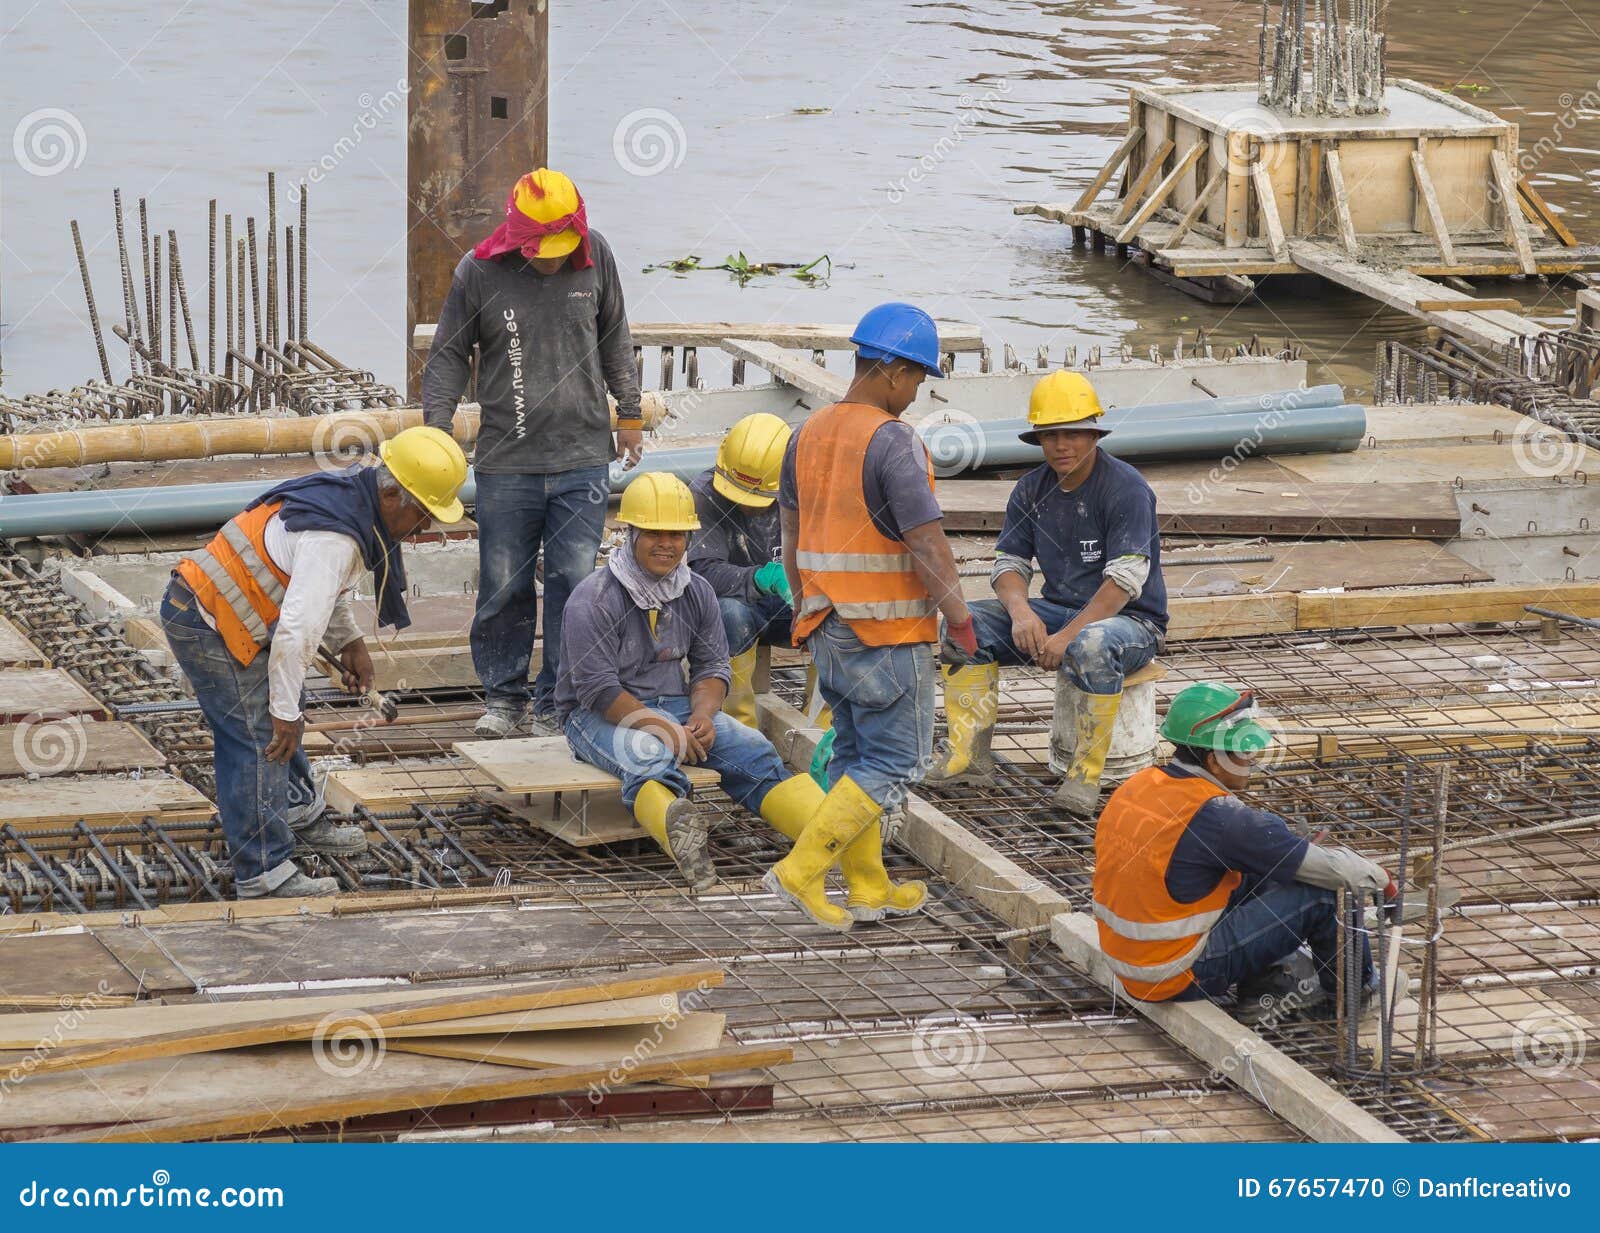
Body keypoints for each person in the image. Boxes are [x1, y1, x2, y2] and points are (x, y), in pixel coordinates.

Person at [160, 428, 469, 899]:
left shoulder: (352, 502)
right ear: (390, 494)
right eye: (423, 513)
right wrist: (284, 714)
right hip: (207, 619)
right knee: (260, 734)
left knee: (285, 706)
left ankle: (296, 813)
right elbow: (297, 632)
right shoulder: (337, 535)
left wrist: (350, 642)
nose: (424, 527)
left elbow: (318, 590)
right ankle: (263, 873)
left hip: (234, 611)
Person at [764, 302, 978, 932]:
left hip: (827, 625)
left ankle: (868, 886)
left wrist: (805, 610)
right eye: (915, 380)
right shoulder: (891, 439)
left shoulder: (807, 434)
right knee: (894, 762)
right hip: (888, 633)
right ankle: (799, 871)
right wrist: (959, 618)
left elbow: (790, 533)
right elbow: (927, 541)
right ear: (889, 371)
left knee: (856, 756)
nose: (914, 395)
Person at [422, 167, 644, 739]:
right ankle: (503, 698)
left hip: (582, 458)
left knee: (575, 583)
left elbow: (615, 334)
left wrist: (630, 411)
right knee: (503, 584)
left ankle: (557, 700)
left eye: (560, 247)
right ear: (516, 235)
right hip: (506, 462)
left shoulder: (594, 256)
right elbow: (449, 354)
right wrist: (436, 428)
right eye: (540, 250)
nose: (551, 258)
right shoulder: (479, 271)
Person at [557, 472, 830, 894]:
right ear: (631, 533)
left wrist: (702, 714)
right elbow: (597, 689)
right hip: (594, 715)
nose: (667, 543)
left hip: (676, 705)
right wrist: (661, 727)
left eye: (678, 534)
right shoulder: (594, 599)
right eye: (654, 533)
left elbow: (711, 667)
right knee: (647, 756)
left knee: (754, 749)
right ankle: (682, 841)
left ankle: (828, 836)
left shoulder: (695, 591)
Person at [925, 371, 1167, 816]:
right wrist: (1020, 613)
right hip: (1059, 610)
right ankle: (968, 759)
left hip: (1132, 623)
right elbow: (1009, 565)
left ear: (1093, 434)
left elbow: (1123, 584)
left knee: (1092, 644)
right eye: (1051, 434)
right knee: (966, 628)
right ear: (1038, 438)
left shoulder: (1125, 489)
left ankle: (1083, 777)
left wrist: (1067, 634)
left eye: (1073, 433)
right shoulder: (1031, 489)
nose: (1062, 445)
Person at [1093, 682, 1389, 1016]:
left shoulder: (1138, 785)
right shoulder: (1220, 817)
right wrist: (1385, 883)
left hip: (1127, 960)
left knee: (1261, 867)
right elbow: (1340, 873)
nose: (1252, 759)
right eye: (1243, 752)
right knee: (1323, 895)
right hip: (1175, 975)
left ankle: (1265, 988)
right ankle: (1357, 998)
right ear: (1213, 760)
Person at [686, 412, 794, 728]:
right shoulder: (705, 493)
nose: (746, 504)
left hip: (791, 606)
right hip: (738, 611)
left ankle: (826, 727)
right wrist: (762, 578)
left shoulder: (804, 491)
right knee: (728, 613)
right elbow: (703, 573)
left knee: (834, 612)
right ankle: (739, 725)